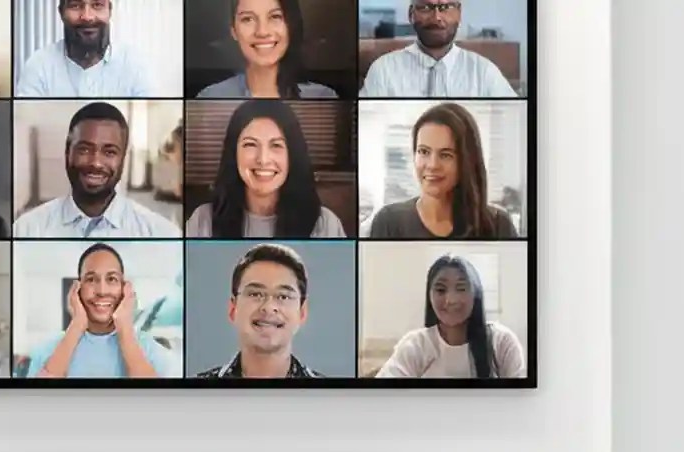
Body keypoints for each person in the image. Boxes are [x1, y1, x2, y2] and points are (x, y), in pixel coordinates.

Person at [13, 103, 180, 238]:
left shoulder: (161, 233)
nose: (96, 163)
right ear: (67, 152)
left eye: (109, 152)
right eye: (84, 150)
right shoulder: (26, 229)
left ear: (123, 158)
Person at [185, 99, 346, 238]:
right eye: (250, 144)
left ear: (292, 155)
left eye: (276, 145)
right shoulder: (203, 220)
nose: (263, 159)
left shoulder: (324, 224)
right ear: (233, 153)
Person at [26, 243, 179, 378]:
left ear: (124, 289)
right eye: (91, 279)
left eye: (112, 279)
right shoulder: (47, 350)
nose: (102, 290)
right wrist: (77, 324)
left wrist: (125, 327)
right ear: (77, 289)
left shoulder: (151, 351)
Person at [368, 103, 517, 238]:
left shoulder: (498, 225)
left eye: (446, 155)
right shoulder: (389, 222)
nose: (432, 165)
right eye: (424, 152)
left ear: (467, 160)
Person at [374, 254, 524, 378]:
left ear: (476, 294)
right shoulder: (416, 346)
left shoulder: (501, 342)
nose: (451, 300)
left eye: (461, 288)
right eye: (440, 290)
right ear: (429, 296)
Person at [198, 244, 324, 378]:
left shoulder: (328, 395)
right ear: (233, 308)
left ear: (302, 312)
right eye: (255, 294)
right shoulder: (195, 394)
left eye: (283, 296)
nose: (269, 307)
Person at [360, 2, 515, 98]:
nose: (436, 18)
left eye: (446, 7)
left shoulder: (484, 72)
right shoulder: (383, 70)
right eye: (426, 7)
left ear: (459, 13)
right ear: (410, 14)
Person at [196, 0, 337, 99]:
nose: (262, 32)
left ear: (291, 26)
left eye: (275, 16)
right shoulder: (211, 96)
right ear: (233, 31)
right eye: (248, 19)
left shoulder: (322, 96)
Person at [15, 0, 154, 97]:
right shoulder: (39, 65)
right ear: (61, 12)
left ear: (109, 11)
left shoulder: (136, 65)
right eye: (75, 5)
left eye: (97, 5)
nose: (87, 16)